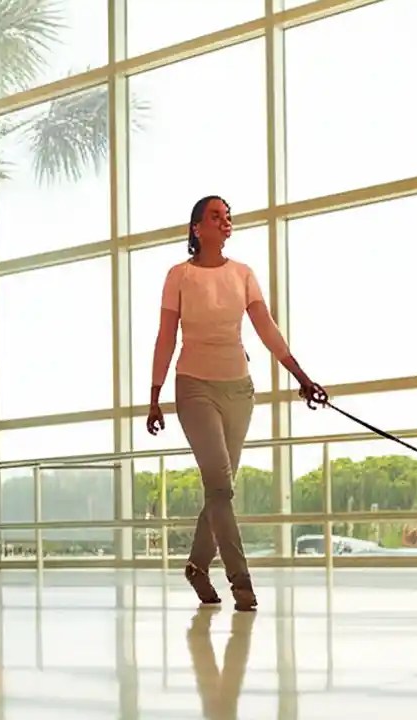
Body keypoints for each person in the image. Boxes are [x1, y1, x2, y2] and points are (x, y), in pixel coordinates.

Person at [147, 194, 328, 611]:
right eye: (215, 216)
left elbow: (266, 328)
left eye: (227, 217)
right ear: (197, 228)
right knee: (220, 487)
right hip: (194, 388)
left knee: (220, 490)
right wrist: (154, 396)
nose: (225, 222)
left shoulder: (244, 274)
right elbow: (165, 337)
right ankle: (240, 580)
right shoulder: (178, 276)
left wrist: (302, 377)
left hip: (240, 391)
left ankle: (196, 565)